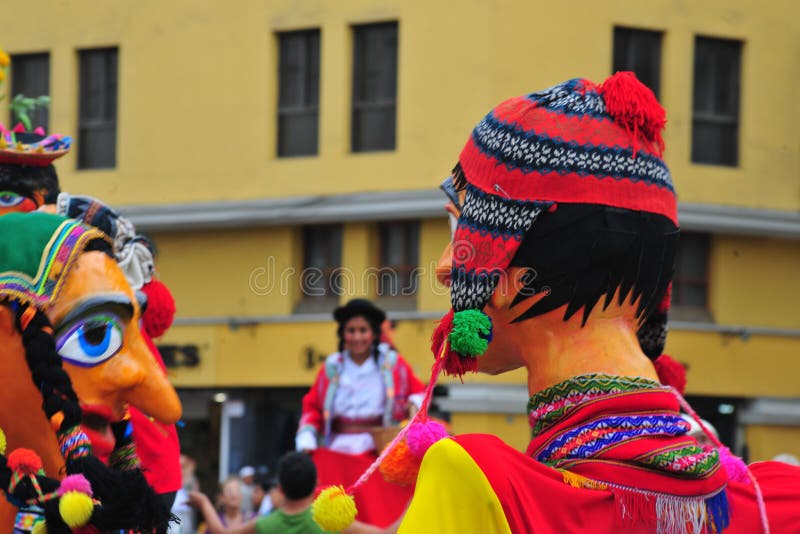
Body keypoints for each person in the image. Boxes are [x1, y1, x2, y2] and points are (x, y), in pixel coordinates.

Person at [391, 73, 800, 532]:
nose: (446, 267)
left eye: (463, 233)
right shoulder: (781, 502)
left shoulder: (481, 486)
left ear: (511, 274)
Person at [296, 299, 425, 527]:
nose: (357, 337)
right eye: (351, 330)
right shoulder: (331, 367)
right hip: (337, 451)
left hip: (377, 450)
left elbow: (419, 392)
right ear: (342, 334)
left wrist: (413, 406)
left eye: (363, 330)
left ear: (374, 333)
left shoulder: (392, 363)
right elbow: (312, 406)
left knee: (381, 512)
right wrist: (306, 436)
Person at [189, 452, 382, 534]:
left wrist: (203, 502)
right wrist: (412, 500)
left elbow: (222, 533)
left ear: (280, 486)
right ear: (316, 483)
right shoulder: (331, 523)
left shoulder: (266, 524)